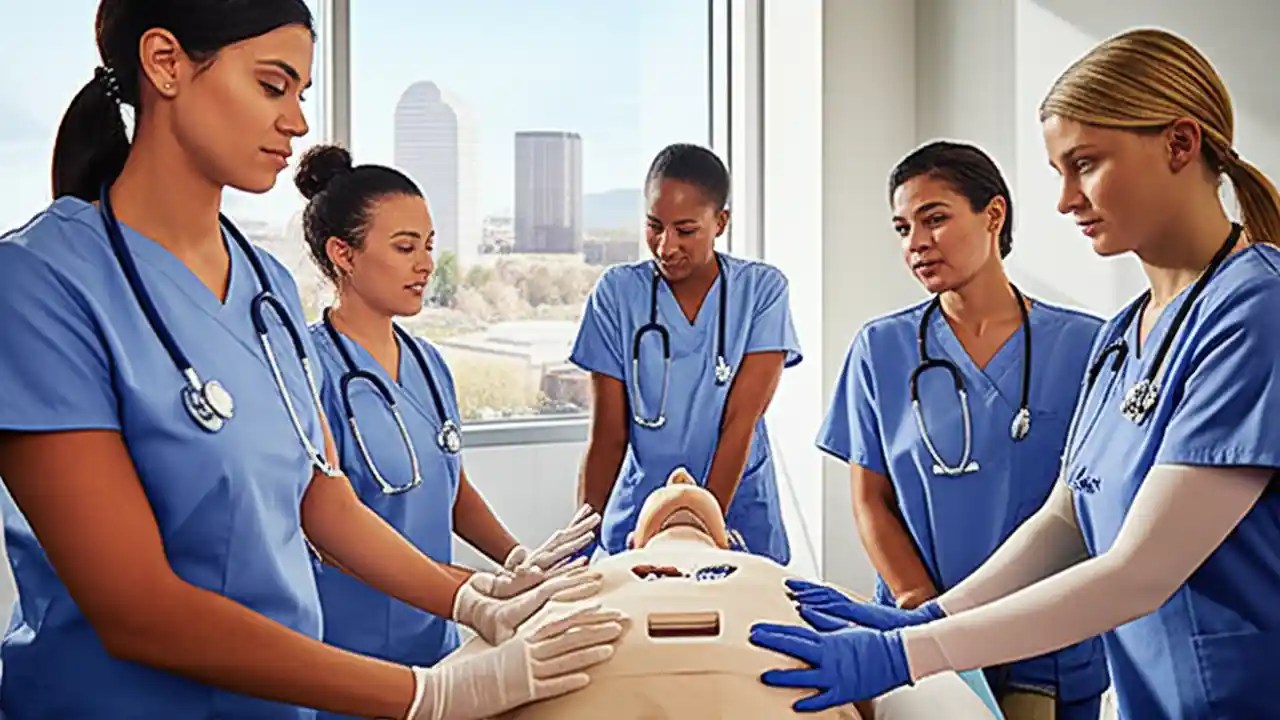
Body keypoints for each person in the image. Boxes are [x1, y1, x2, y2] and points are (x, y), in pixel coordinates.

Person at [0, 3, 624, 718]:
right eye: (273, 86)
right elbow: (135, 607)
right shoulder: (40, 284)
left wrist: (476, 597)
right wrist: (433, 694)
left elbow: (320, 494)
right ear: (166, 63)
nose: (297, 122)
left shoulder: (265, 284)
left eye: (301, 93)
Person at [750, 27, 1280, 719]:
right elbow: (1066, 520)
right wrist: (929, 615)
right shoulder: (1124, 336)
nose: (1064, 200)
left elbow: (1140, 572)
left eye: (1084, 163)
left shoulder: (1256, 310)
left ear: (1180, 144)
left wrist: (912, 654)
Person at [294, 143, 602, 716]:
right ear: (344, 254)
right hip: (347, 657)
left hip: (437, 649)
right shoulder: (307, 371)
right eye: (405, 246)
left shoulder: (430, 365)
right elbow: (329, 534)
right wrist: (475, 593)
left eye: (429, 246)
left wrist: (517, 561)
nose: (426, 265)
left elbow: (450, 486)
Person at [810, 140, 1108, 719]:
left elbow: (1092, 508)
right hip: (920, 633)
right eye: (902, 228)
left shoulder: (1086, 346)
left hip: (1044, 635)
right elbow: (871, 501)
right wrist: (925, 613)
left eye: (935, 218)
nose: (915, 243)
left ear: (993, 215)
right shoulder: (881, 349)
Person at [439, 467, 1002, 720]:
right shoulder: (565, 588)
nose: (681, 477)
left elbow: (906, 670)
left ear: (731, 540)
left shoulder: (796, 585)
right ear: (629, 544)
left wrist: (911, 636)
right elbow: (465, 683)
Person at [570, 142, 803, 565]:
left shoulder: (762, 291)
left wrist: (702, 532)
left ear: (721, 222)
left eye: (686, 229)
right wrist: (578, 545)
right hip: (639, 522)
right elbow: (607, 436)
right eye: (654, 225)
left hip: (738, 520)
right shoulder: (618, 294)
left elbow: (740, 422)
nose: (665, 246)